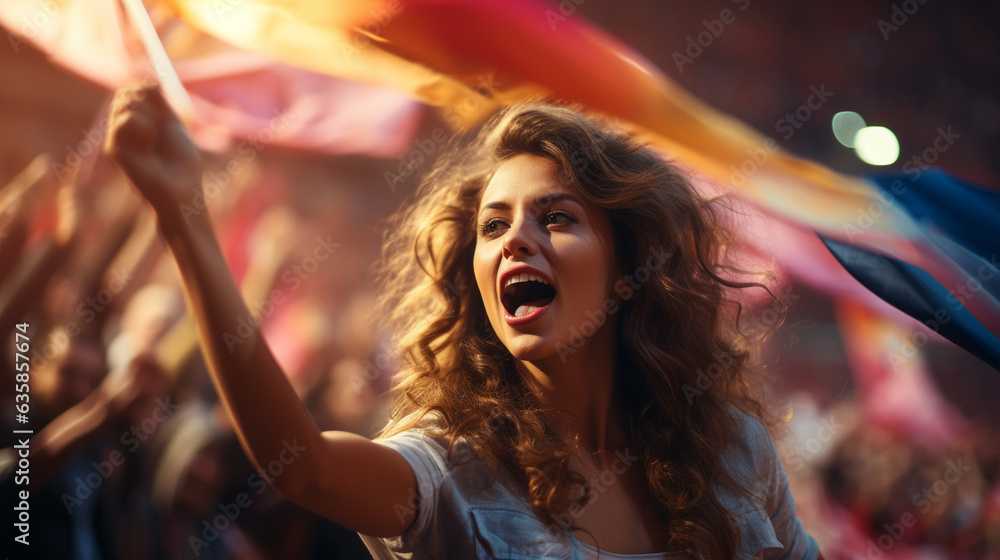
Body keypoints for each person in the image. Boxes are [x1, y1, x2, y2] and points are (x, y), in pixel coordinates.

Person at [105, 82, 824, 560]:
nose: (515, 239)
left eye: (557, 218)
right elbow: (309, 471)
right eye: (493, 225)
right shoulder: (452, 471)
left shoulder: (733, 452)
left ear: (629, 266)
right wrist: (187, 219)